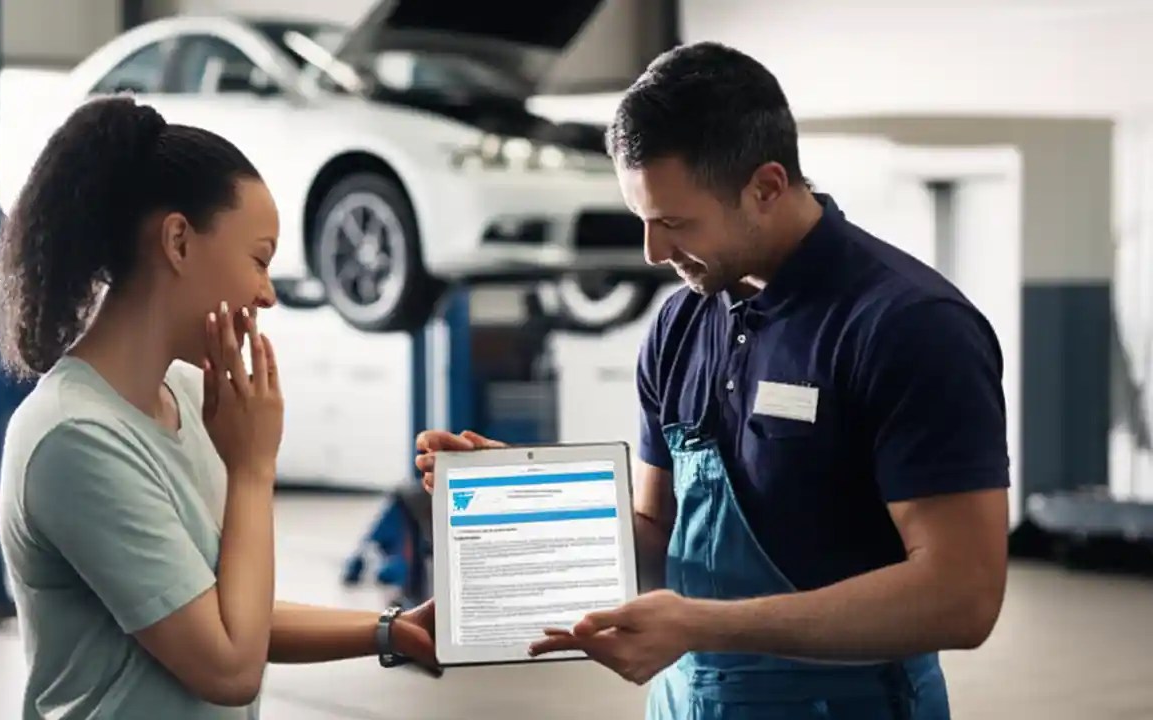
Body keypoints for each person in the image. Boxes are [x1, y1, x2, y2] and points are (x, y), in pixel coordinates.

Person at [416, 42, 1009, 719]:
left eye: (675, 223)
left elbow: (962, 595)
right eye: (643, 220)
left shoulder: (907, 326)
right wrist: (526, 500)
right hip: (689, 703)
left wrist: (703, 626)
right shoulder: (679, 326)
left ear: (766, 187)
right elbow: (656, 532)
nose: (653, 252)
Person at [0, 95, 435, 720]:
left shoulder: (195, 401)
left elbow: (228, 612)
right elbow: (227, 666)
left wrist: (388, 629)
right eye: (259, 257)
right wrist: (253, 468)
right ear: (178, 241)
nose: (267, 293)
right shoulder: (73, 437)